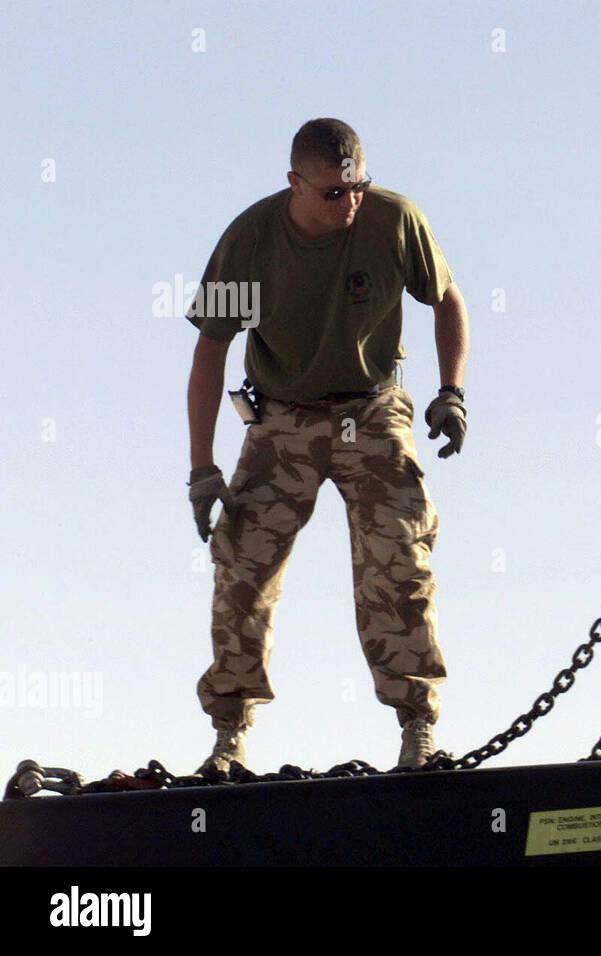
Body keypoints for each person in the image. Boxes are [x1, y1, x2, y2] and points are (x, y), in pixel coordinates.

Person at [184, 118, 470, 771]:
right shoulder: (252, 242)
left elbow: (448, 299)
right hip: (282, 415)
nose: (350, 205)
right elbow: (210, 352)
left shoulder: (393, 222)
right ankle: (228, 735)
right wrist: (202, 468)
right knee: (242, 566)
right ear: (295, 184)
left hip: (371, 408)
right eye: (333, 195)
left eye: (358, 189)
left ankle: (416, 728)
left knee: (399, 557)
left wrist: (452, 391)